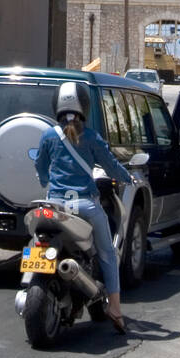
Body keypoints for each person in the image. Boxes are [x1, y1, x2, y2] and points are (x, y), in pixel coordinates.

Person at [32, 81, 136, 334]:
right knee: (107, 253)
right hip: (84, 204)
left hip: (55, 204)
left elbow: (40, 166)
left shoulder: (48, 135)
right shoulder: (92, 137)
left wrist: (47, 182)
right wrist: (127, 177)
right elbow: (111, 166)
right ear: (85, 106)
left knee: (35, 243)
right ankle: (115, 308)